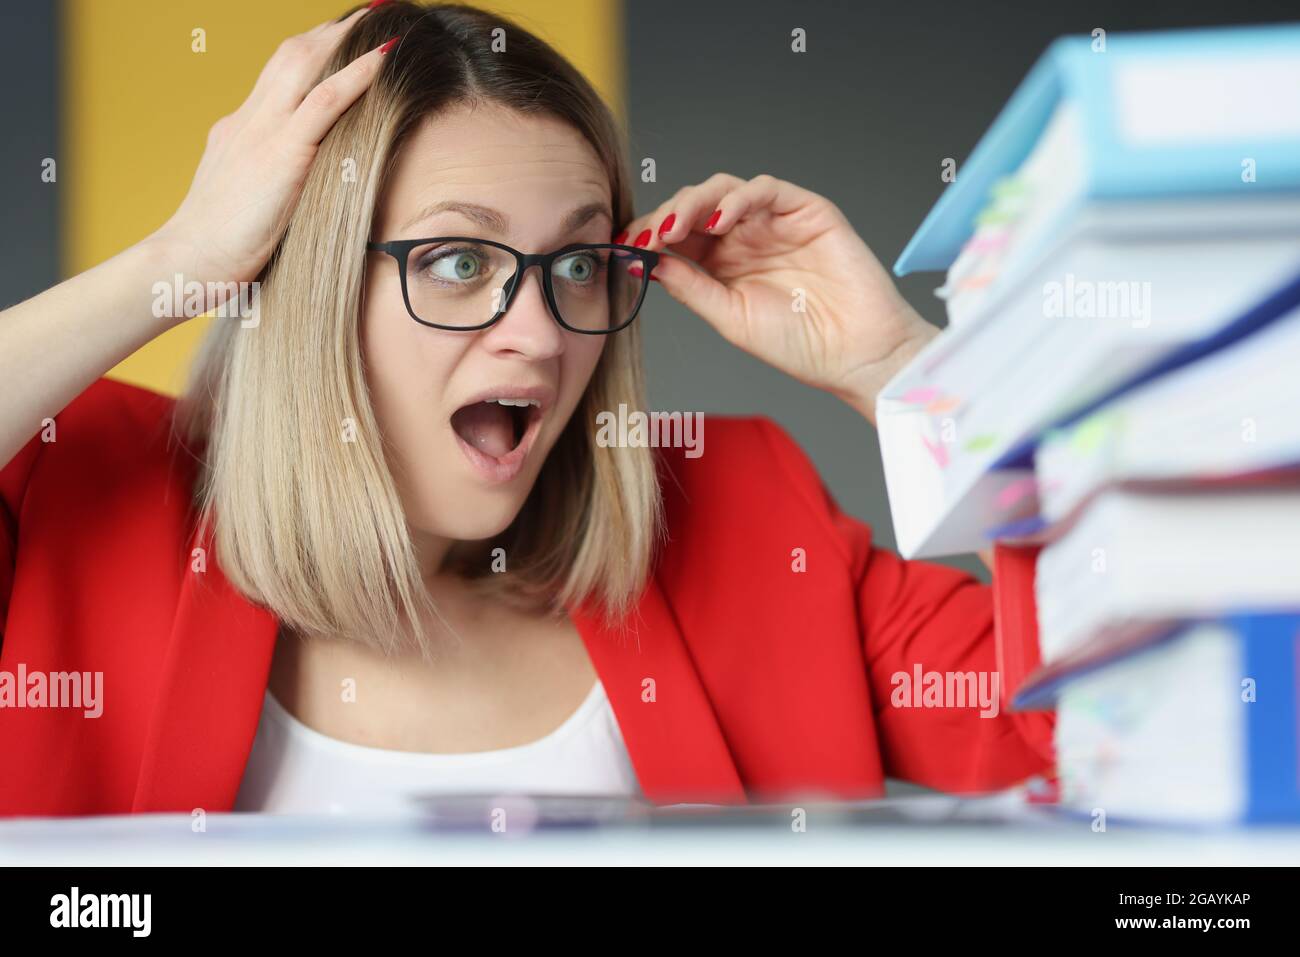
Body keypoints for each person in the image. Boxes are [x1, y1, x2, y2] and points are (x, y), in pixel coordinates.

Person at [0, 1, 1051, 816]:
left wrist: (899, 367)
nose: (540, 334)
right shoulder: (81, 495)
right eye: (458, 259)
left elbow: (1112, 733)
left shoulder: (747, 520)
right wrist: (179, 260)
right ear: (312, 285)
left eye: (581, 262)